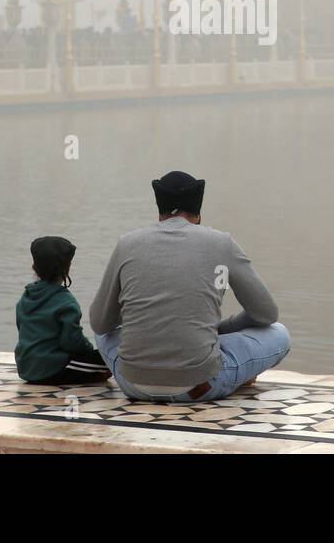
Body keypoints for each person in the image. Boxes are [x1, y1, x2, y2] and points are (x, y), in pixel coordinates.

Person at [89, 171, 290, 402]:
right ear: (198, 213)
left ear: (159, 212)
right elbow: (266, 314)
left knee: (101, 329)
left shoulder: (127, 243)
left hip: (133, 385)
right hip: (199, 387)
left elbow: (100, 322)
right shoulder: (221, 243)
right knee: (279, 333)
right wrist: (222, 328)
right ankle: (234, 372)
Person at [14, 236, 111, 385]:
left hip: (25, 367)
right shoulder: (65, 302)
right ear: (66, 267)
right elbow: (71, 342)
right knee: (108, 359)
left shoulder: (26, 297)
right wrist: (89, 351)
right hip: (52, 369)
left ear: (35, 266)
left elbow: (23, 329)